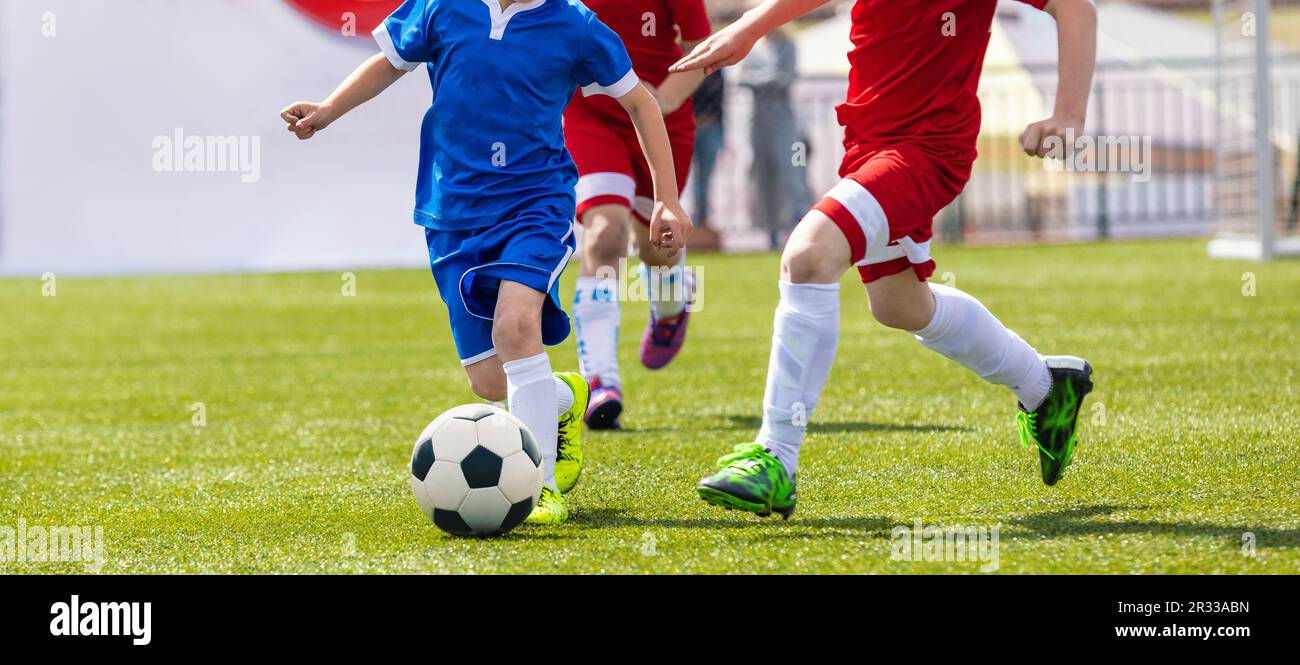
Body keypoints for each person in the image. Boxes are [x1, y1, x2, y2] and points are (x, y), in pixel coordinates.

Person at [672, 0, 1098, 518]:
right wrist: (750, 27)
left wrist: (1069, 114)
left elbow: (1075, 8)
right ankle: (1045, 385)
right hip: (868, 144)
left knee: (808, 256)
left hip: (927, 149)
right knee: (898, 305)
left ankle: (775, 458)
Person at [280, 0, 692, 524]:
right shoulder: (441, 7)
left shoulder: (575, 24)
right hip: (452, 215)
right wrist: (326, 111)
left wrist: (666, 198)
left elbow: (642, 104)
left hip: (534, 206)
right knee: (492, 385)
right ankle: (559, 395)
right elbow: (389, 61)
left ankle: (540, 488)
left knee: (516, 327)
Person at [566, 0, 712, 430]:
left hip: (659, 118)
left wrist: (661, 99)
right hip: (589, 115)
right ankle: (600, 383)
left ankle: (671, 307)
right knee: (605, 231)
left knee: (657, 248)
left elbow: (702, 47)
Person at [737, 25, 809, 249]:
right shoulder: (753, 48)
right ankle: (772, 233)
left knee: (792, 176)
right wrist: (768, 76)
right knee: (762, 177)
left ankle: (802, 229)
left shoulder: (787, 46)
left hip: (784, 124)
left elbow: (784, 79)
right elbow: (741, 79)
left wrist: (756, 78)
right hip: (757, 123)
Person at [690, 70, 726, 251]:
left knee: (703, 184)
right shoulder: (677, 55)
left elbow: (717, 92)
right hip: (688, 125)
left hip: (711, 125)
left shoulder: (716, 61)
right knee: (681, 182)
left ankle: (700, 225)